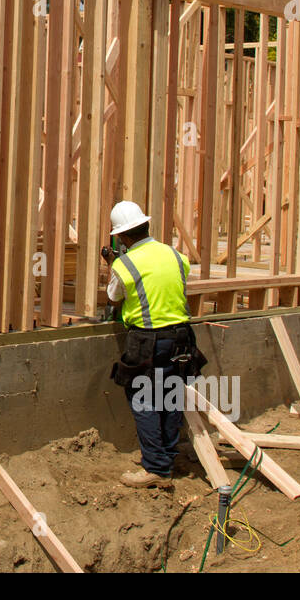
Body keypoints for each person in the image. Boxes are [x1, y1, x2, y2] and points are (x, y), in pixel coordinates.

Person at [104, 200, 205, 489]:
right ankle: (168, 457)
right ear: (147, 226)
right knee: (170, 397)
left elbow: (114, 297)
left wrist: (113, 266)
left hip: (148, 341)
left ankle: (156, 468)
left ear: (122, 236)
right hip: (182, 337)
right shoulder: (175, 255)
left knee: (143, 400)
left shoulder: (125, 264)